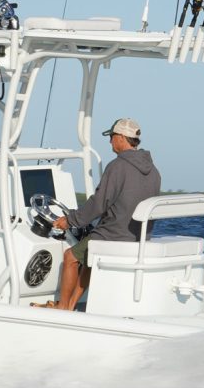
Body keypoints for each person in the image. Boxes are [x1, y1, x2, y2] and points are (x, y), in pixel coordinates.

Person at [49, 117, 162, 311]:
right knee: (88, 255)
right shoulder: (153, 170)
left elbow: (98, 204)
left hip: (114, 234)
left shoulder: (118, 166)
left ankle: (62, 307)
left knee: (71, 256)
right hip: (139, 236)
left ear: (120, 137)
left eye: (111, 137)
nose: (110, 141)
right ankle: (72, 304)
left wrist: (70, 220)